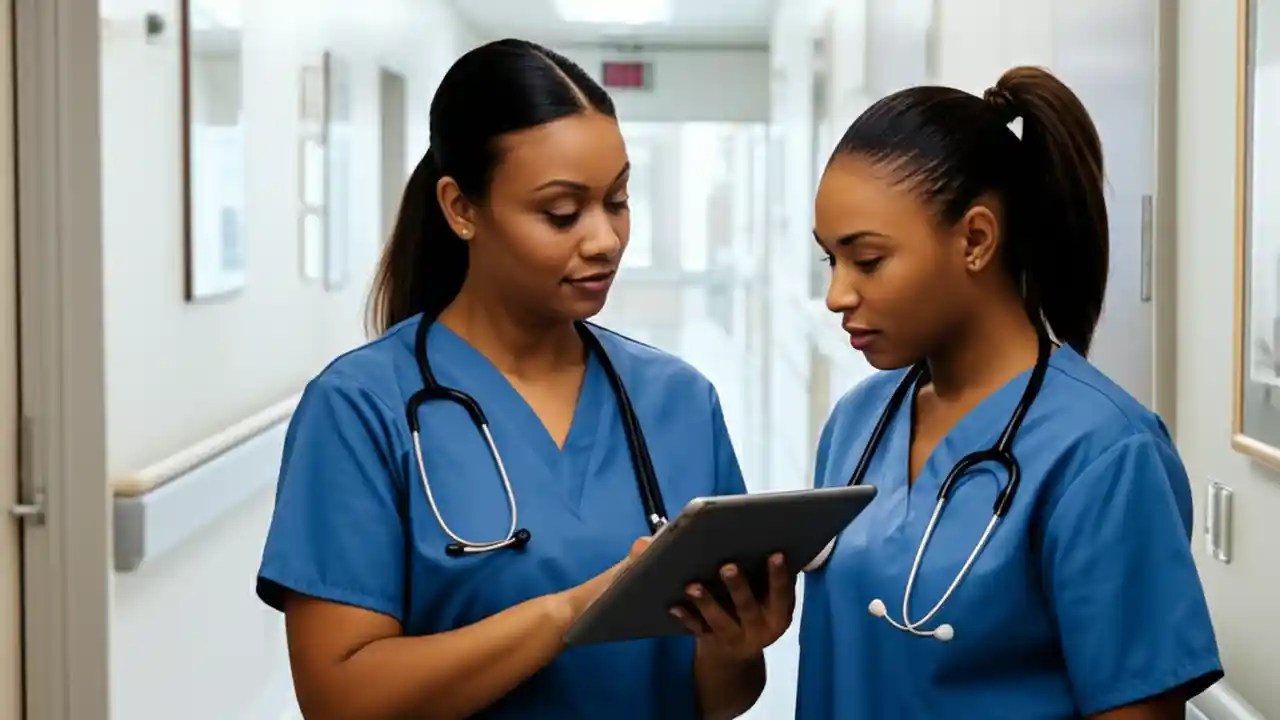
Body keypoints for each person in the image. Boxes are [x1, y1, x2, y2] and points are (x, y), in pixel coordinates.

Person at [255, 39, 794, 720]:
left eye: (618, 200)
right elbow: (341, 700)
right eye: (562, 213)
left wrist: (737, 648)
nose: (604, 240)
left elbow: (718, 700)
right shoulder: (362, 407)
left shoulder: (679, 400)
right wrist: (573, 610)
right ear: (461, 209)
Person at [798, 66, 1224, 719]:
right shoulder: (859, 424)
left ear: (975, 239)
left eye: (869, 260)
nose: (837, 296)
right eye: (832, 259)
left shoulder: (1104, 453)